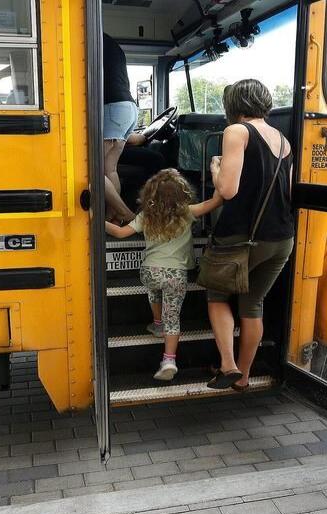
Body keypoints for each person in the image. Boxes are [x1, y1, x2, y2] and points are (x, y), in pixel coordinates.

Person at [205, 79, 295, 391]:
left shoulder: (237, 131)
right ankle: (243, 377)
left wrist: (216, 169)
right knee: (252, 303)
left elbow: (228, 190)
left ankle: (227, 364)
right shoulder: (284, 140)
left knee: (217, 295)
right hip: (281, 238)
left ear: (233, 105)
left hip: (242, 236)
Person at [106, 170, 222, 380]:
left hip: (150, 271)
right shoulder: (187, 212)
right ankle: (169, 360)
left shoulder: (145, 216)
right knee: (173, 317)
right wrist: (217, 171)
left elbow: (120, 233)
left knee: (154, 292)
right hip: (175, 275)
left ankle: (156, 323)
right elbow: (216, 201)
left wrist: (93, 218)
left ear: (150, 194)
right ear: (182, 193)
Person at [103, 33, 146, 225]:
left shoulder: (87, 33)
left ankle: (126, 215)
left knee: (92, 171)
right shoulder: (112, 44)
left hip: (112, 106)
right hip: (128, 108)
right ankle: (111, 218)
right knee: (109, 170)